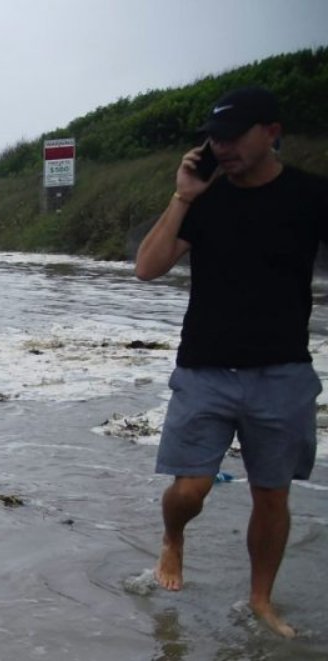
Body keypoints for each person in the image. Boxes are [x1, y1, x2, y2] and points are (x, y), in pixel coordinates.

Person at [134, 86, 327, 638]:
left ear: (271, 131)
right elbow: (147, 268)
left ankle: (261, 599)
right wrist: (184, 196)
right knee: (190, 489)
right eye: (214, 137)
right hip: (204, 369)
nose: (222, 147)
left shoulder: (311, 196)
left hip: (283, 370)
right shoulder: (206, 200)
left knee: (272, 493)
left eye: (234, 135)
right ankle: (173, 540)